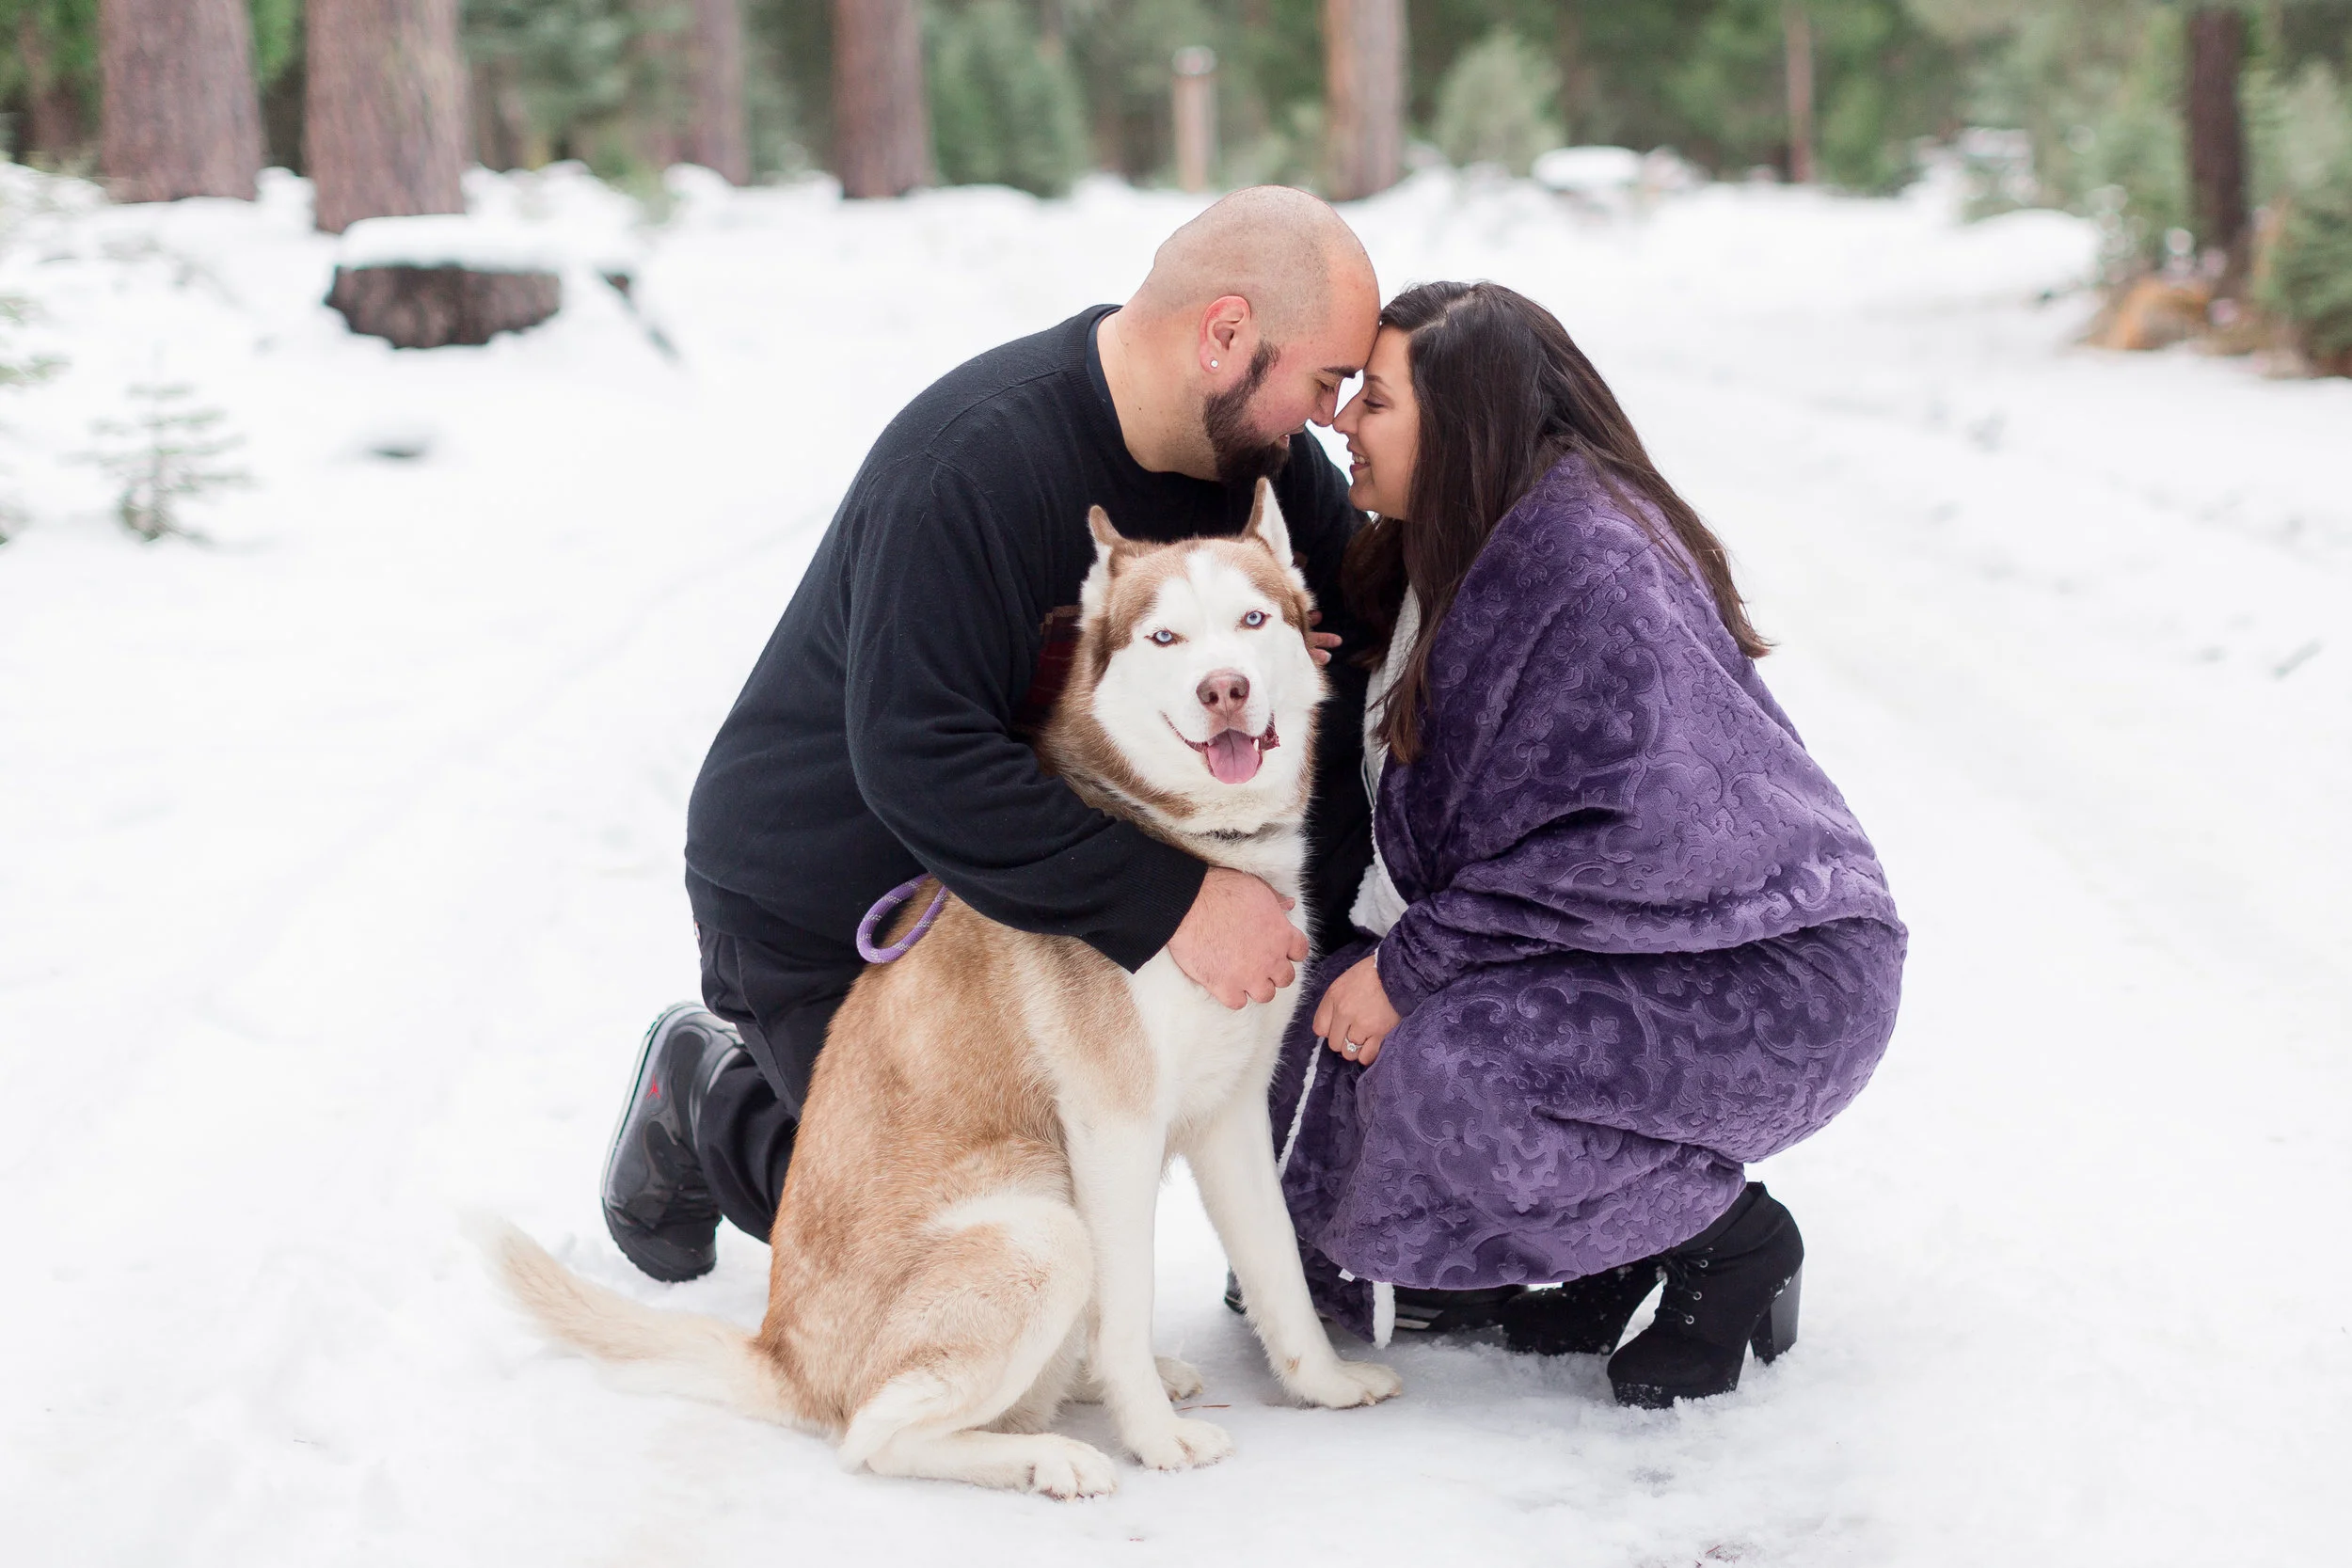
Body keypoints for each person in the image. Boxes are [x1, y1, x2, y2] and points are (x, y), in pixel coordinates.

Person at [598, 188, 1386, 1285]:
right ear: (1226, 335)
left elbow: (1353, 665)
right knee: (973, 1256)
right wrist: (1173, 903)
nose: (1330, 418)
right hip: (832, 893)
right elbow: (920, 757)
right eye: (1325, 381)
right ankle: (707, 1096)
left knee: (1078, 1204)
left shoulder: (1269, 476)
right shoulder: (973, 463)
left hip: (1035, 921)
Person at [1263, 280, 1906, 1408]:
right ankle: (1612, 1248)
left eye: (1377, 396)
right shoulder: (1443, 548)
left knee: (1451, 1065)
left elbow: (1629, 841)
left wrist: (1408, 968)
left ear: (1464, 426)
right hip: (1627, 949)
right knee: (1300, 1007)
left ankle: (1731, 1244)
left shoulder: (1590, 568)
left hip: (1771, 966)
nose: (1342, 418)